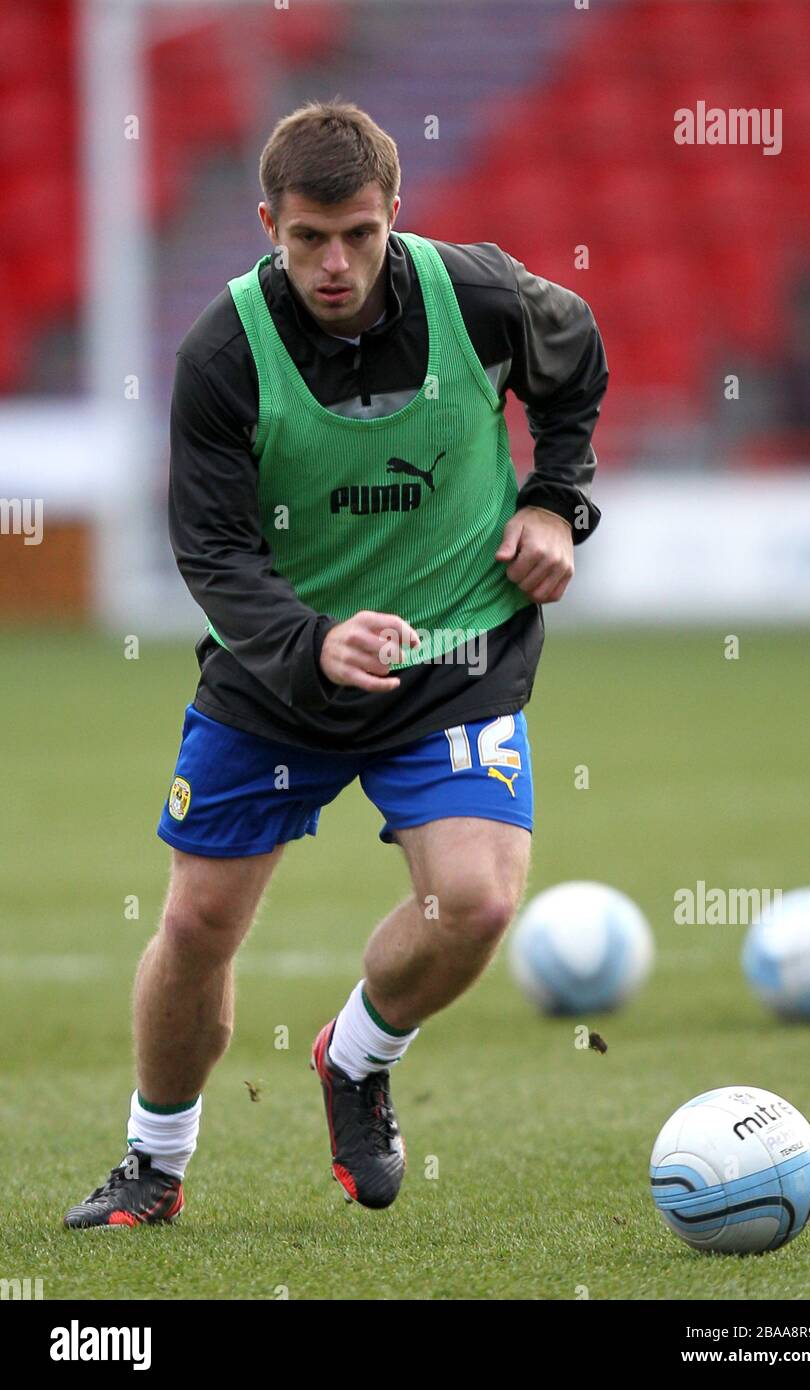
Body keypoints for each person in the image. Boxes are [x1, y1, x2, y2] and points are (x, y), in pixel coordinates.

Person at [64, 100, 607, 1226]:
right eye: (308, 238)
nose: (335, 265)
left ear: (393, 214)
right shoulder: (222, 354)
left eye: (359, 234)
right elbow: (211, 551)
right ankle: (153, 1162)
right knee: (197, 926)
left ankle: (355, 1057)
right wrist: (312, 641)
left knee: (475, 903)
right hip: (277, 675)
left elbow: (576, 355)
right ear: (268, 223)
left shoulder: (479, 295)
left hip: (456, 650)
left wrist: (555, 500)